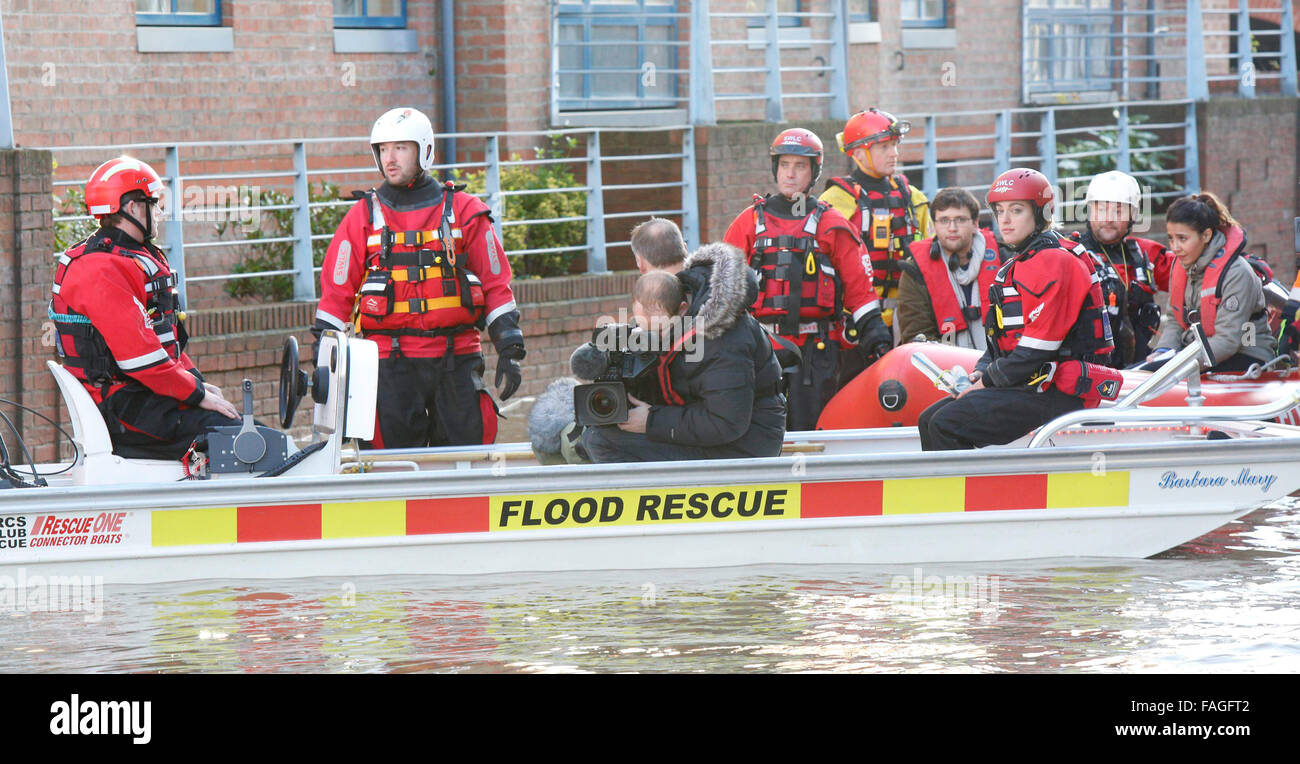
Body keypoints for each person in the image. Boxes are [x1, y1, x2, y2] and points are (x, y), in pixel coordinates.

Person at [315, 107, 525, 448]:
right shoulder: (361, 217)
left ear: (424, 150)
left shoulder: (466, 210)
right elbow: (335, 296)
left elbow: (495, 284)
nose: (390, 158)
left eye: (400, 147)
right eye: (383, 149)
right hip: (387, 364)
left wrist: (510, 348)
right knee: (389, 465)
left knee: (467, 458)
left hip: (455, 358)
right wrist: (322, 361)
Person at [48, 156, 241, 459]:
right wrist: (196, 394)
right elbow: (141, 360)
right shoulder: (101, 269)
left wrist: (197, 384)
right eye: (153, 204)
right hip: (123, 407)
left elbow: (164, 344)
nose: (159, 213)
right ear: (132, 207)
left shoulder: (123, 257)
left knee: (234, 425)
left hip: (139, 396)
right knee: (232, 437)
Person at [918, 168, 1117, 451]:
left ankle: (962, 495)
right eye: (1000, 211)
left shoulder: (1055, 262)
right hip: (1033, 381)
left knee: (944, 423)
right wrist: (983, 369)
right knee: (929, 419)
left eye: (1016, 210)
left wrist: (986, 382)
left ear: (1041, 214)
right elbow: (1005, 339)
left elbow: (1036, 350)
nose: (1005, 220)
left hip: (1059, 389)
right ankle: (946, 493)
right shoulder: (1023, 260)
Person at [723, 128, 891, 431]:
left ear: (813, 171)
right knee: (757, 431)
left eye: (800, 166)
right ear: (776, 168)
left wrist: (878, 340)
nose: (790, 174)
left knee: (812, 433)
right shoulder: (747, 222)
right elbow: (721, 289)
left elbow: (860, 292)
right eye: (785, 165)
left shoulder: (833, 224)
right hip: (759, 350)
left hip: (816, 354)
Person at [581, 248, 786, 462]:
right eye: (644, 330)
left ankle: (655, 495)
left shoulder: (720, 339)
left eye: (658, 331)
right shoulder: (677, 313)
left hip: (747, 445)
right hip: (709, 429)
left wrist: (652, 420)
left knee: (601, 442)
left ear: (682, 309)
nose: (652, 338)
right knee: (589, 433)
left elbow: (727, 423)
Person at [820, 108, 934, 368]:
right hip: (854, 327)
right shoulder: (835, 203)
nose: (894, 153)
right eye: (884, 147)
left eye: (895, 145)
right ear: (858, 153)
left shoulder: (913, 198)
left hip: (909, 323)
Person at [1148, 192, 1275, 371]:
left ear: (1206, 236)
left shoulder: (1237, 273)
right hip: (1198, 352)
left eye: (1182, 238)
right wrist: (1162, 352)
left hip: (1248, 355)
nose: (1175, 247)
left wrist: (1176, 367)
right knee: (1144, 373)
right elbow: (1175, 321)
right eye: (1171, 238)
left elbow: (1227, 341)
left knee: (1160, 380)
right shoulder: (1181, 265)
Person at [1070, 170, 1175, 366]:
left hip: (1137, 371)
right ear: (1090, 211)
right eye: (1101, 210)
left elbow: (1194, 271)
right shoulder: (1069, 253)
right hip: (1086, 370)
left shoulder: (1144, 253)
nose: (1108, 218)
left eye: (1118, 211)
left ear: (1133, 215)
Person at [895, 187, 1003, 350]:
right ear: (934, 226)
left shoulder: (1005, 259)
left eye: (960, 219)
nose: (952, 228)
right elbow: (917, 337)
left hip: (1001, 365)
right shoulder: (914, 271)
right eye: (944, 220)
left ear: (975, 224)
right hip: (944, 367)